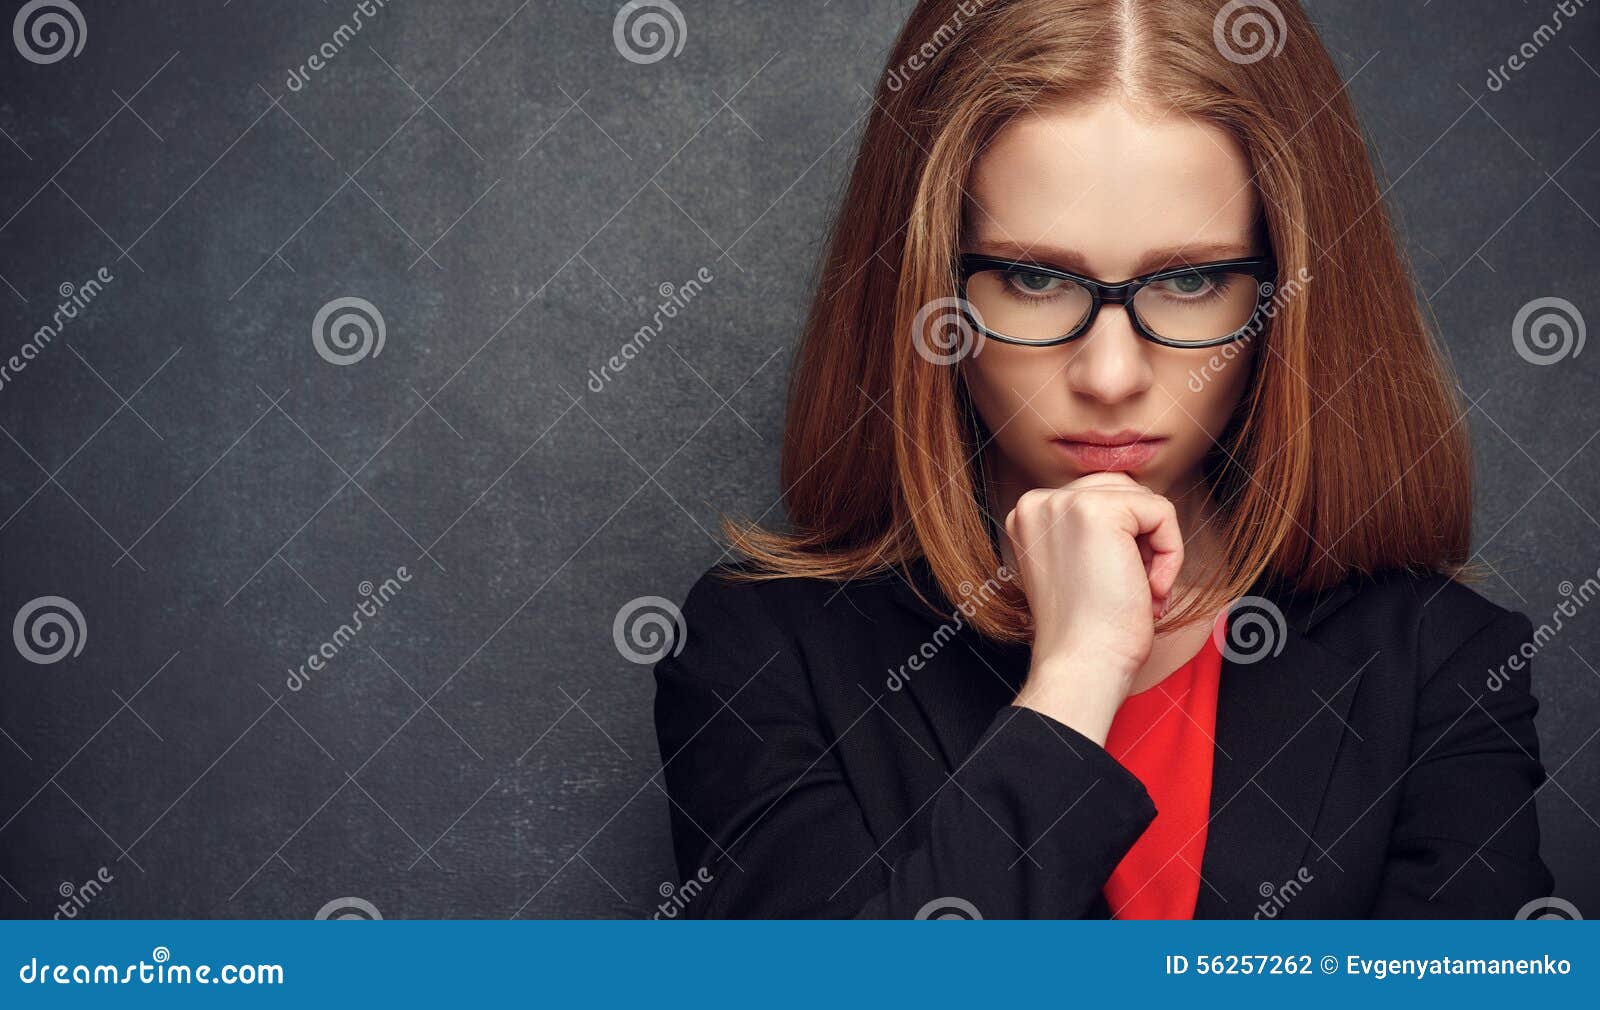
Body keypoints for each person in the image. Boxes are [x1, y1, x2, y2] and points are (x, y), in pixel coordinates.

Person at [650, 0, 1555, 919]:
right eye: (1034, 278)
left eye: (1191, 280)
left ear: (1291, 296)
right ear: (927, 287)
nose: (1111, 374)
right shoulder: (757, 651)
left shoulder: (1440, 662)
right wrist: (1076, 676)